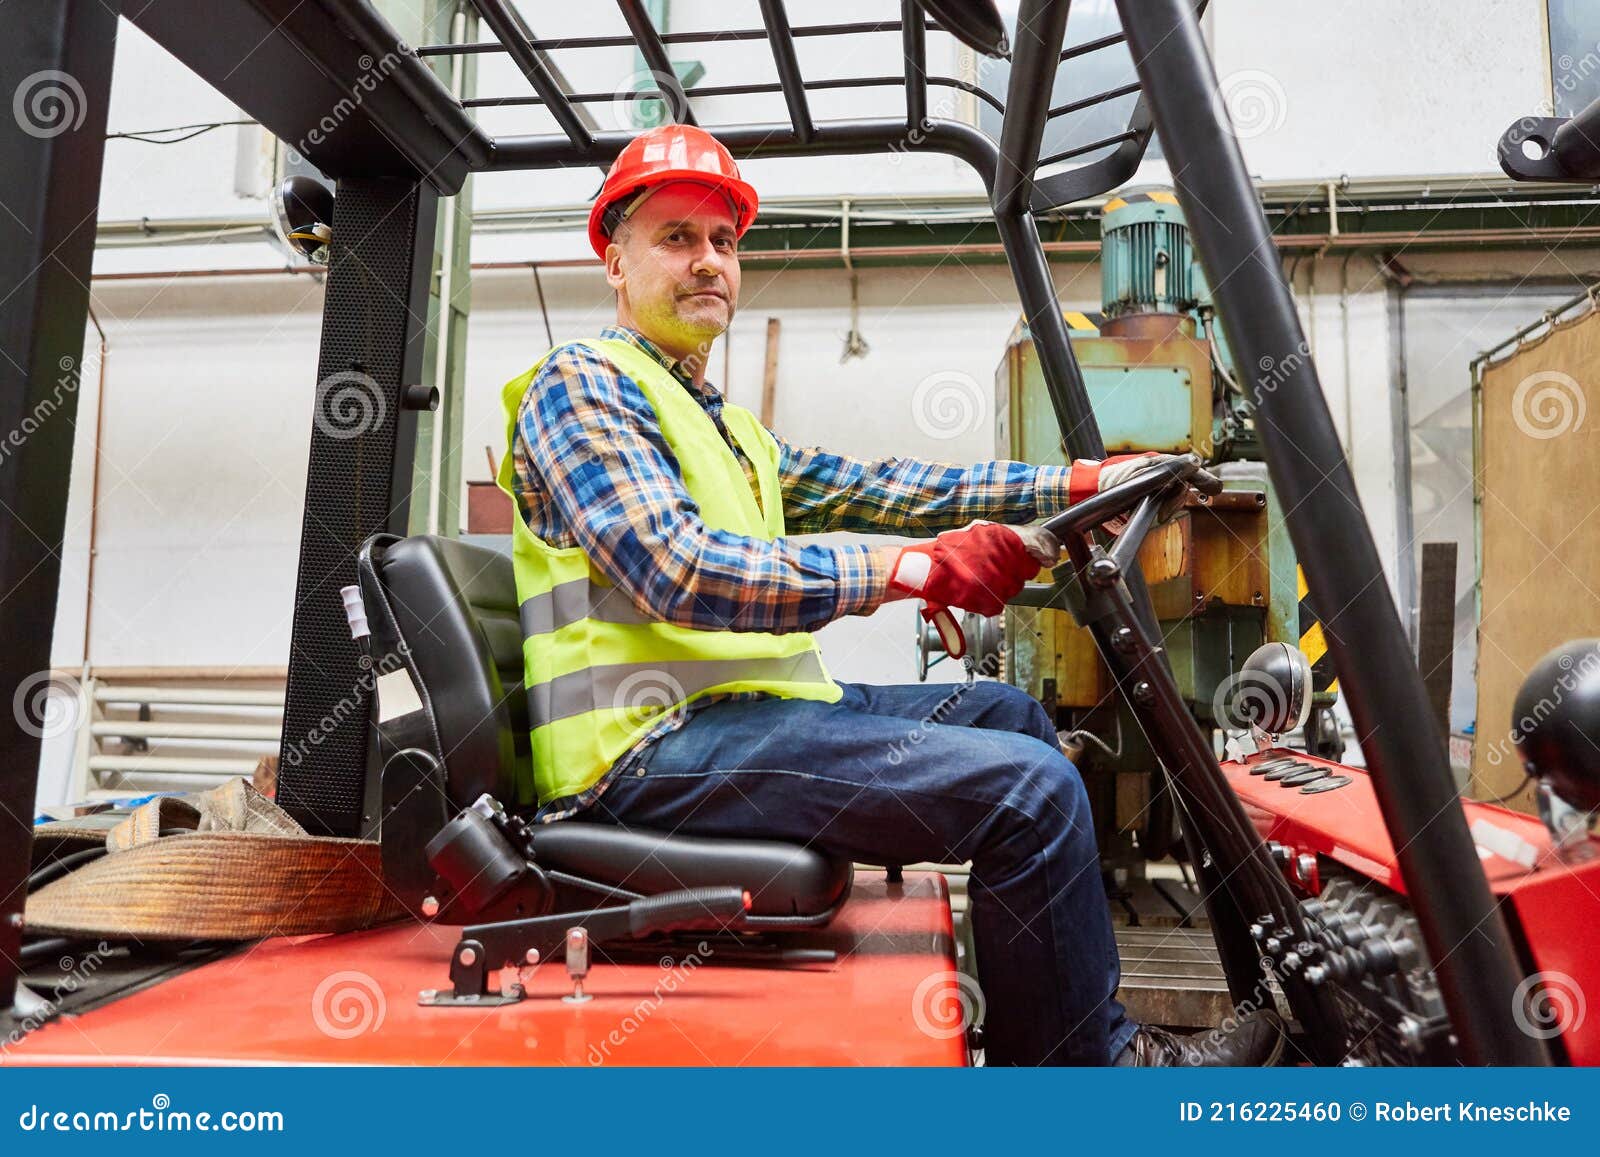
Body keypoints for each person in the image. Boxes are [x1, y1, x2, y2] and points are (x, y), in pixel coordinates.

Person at [495, 123, 1283, 1067]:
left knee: (1012, 715)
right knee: (1031, 794)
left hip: (740, 715)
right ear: (614, 261)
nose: (708, 262)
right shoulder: (582, 386)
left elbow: (891, 489)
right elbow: (679, 568)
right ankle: (1093, 1083)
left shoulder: (726, 425)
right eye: (676, 238)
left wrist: (1076, 485)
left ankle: (1047, 1030)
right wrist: (910, 570)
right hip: (645, 748)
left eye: (724, 243)